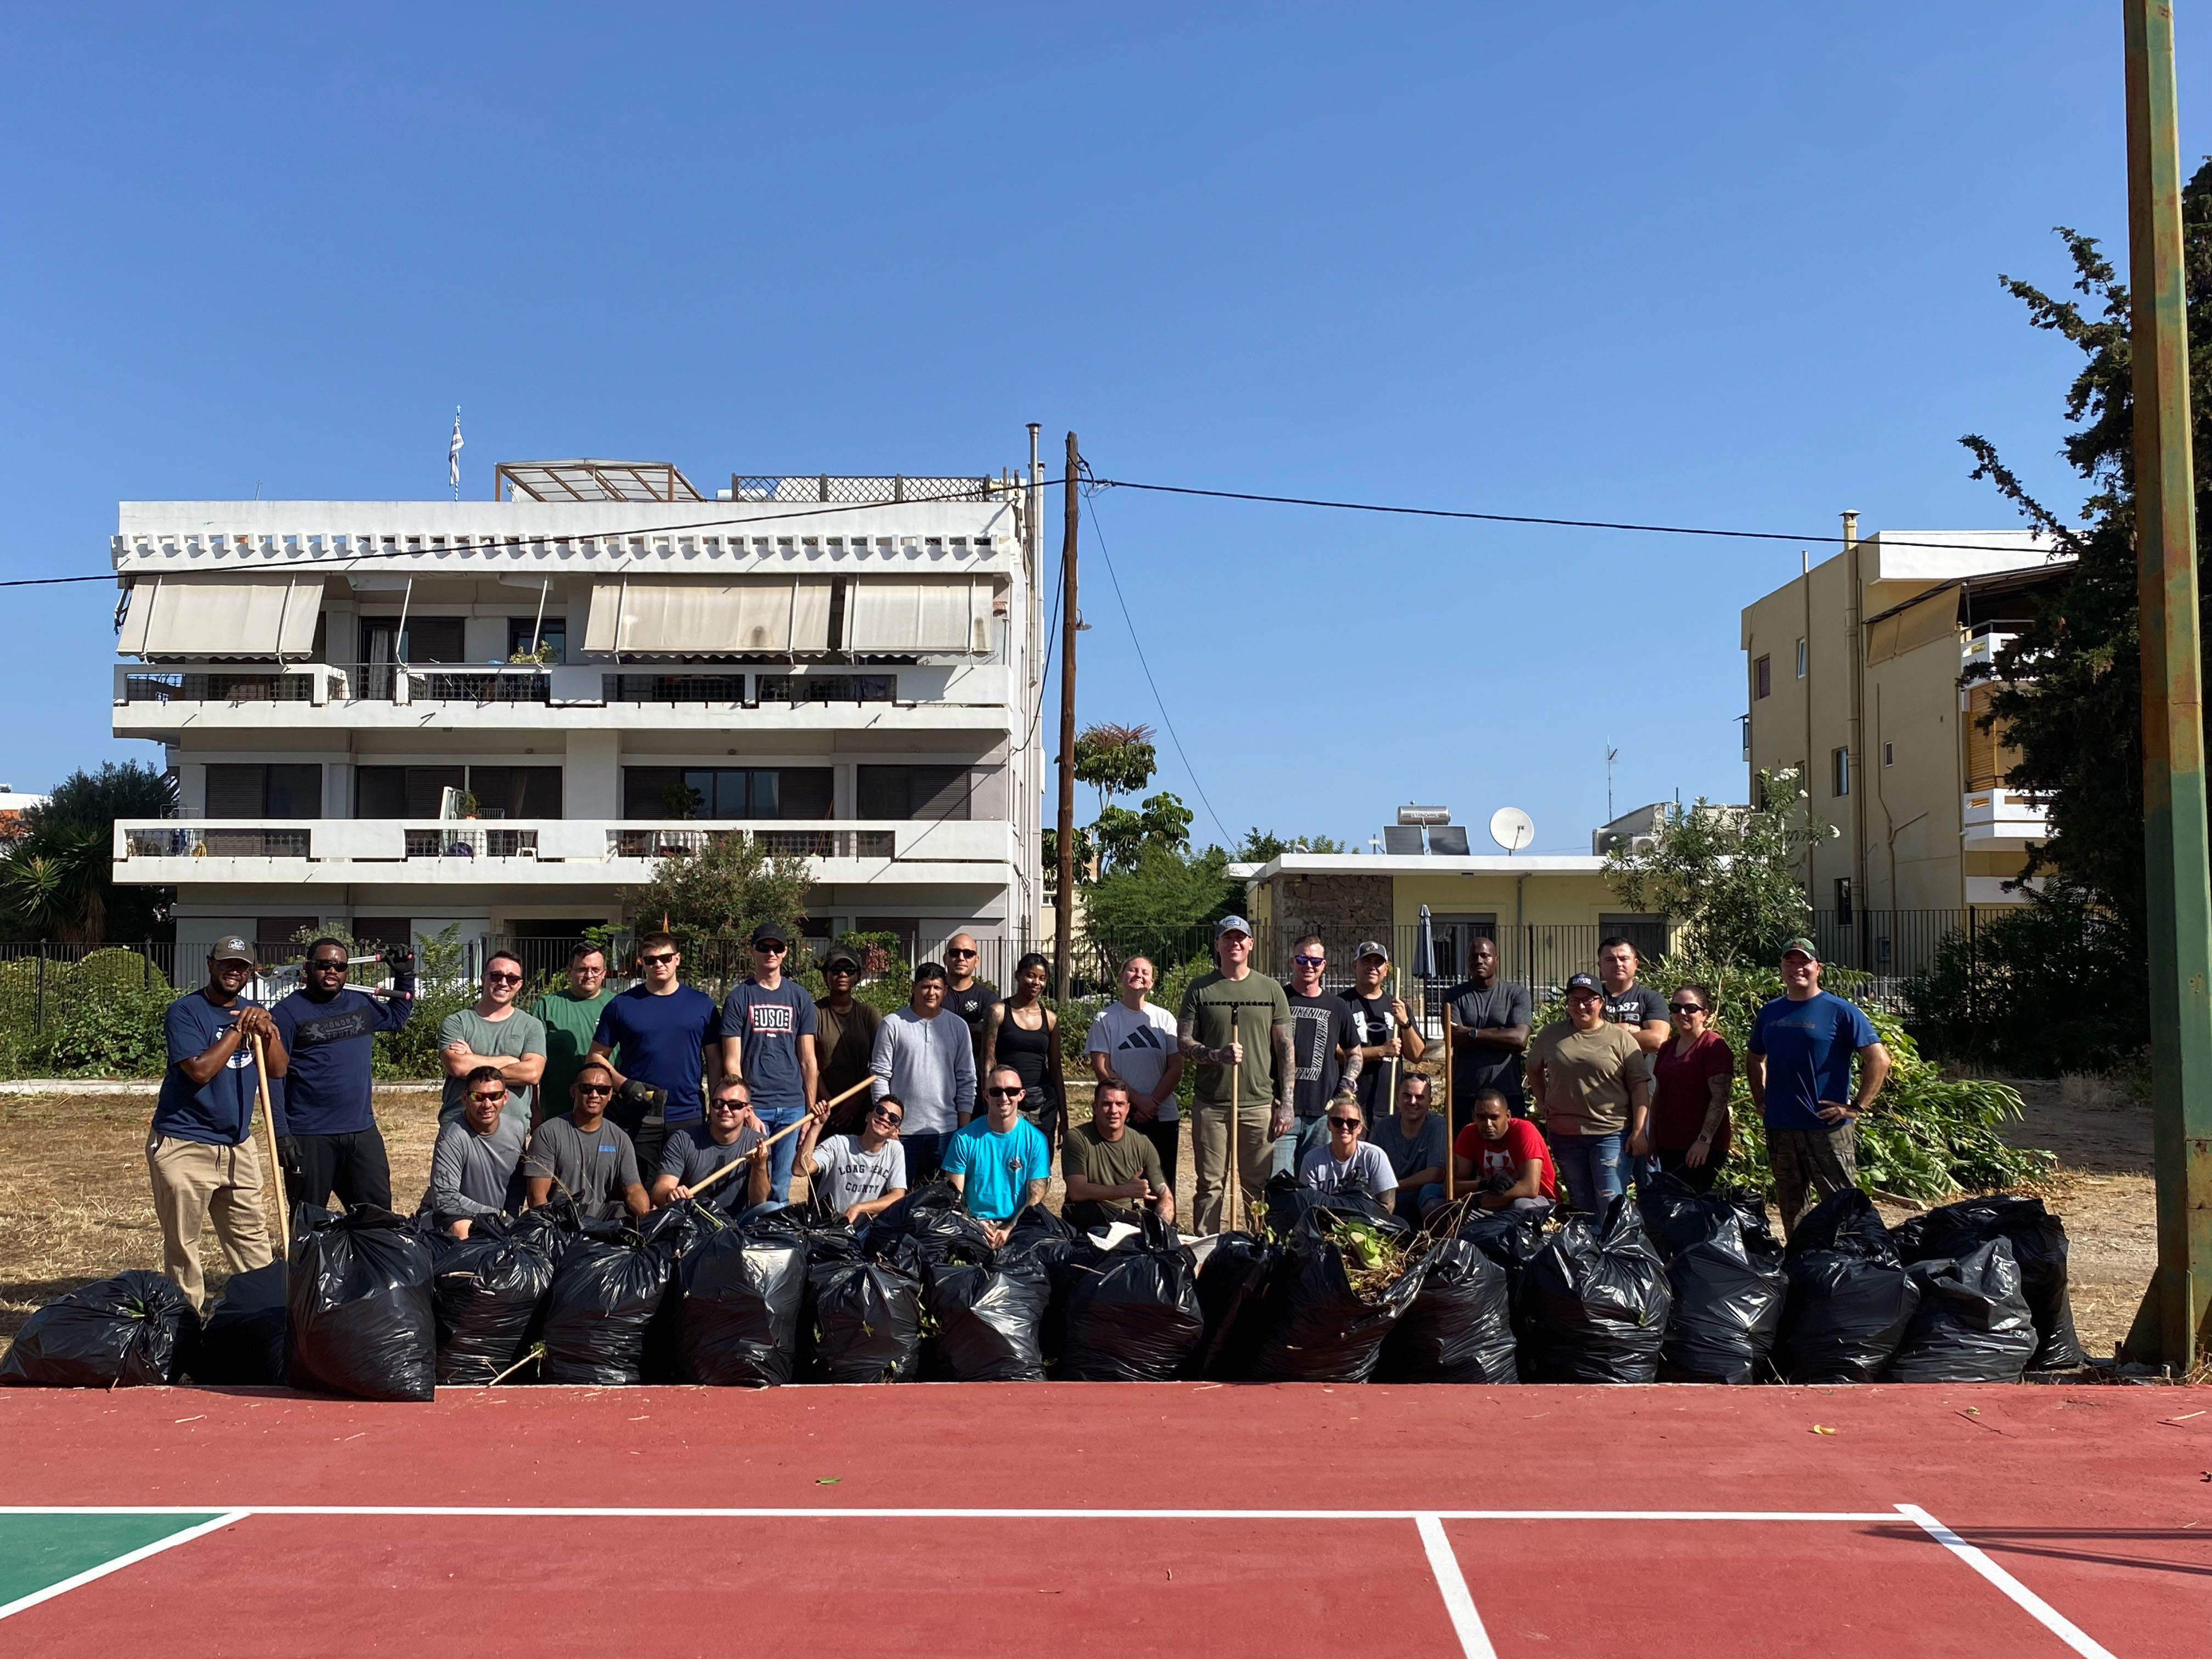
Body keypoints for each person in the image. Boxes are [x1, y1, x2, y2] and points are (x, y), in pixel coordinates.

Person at [146, 936, 283, 1309]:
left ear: (251, 972)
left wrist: (267, 1032)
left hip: (238, 1146)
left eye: (242, 966)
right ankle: (186, 1321)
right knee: (184, 1244)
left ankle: (264, 1314)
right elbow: (200, 1071)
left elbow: (278, 1069)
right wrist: (238, 1030)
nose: (234, 972)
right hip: (185, 1142)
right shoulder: (185, 1011)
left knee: (252, 1240)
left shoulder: (256, 1013)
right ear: (211, 965)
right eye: (227, 964)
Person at [1747, 938, 1891, 1238]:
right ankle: (1802, 1260)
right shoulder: (1770, 1012)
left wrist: (1856, 1107)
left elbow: (1879, 1060)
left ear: (1818, 968)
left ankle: (1849, 1259)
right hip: (1781, 1127)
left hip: (1827, 1128)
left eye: (1804, 962)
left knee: (1841, 1207)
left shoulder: (1840, 1010)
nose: (1797, 968)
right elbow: (1755, 1058)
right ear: (1782, 968)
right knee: (1791, 1208)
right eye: (1790, 962)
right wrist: (1760, 1099)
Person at [269, 936, 415, 1211]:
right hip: (310, 1135)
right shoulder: (287, 1013)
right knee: (309, 1219)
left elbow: (397, 1018)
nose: (332, 971)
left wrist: (405, 977)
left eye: (340, 966)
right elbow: (273, 1077)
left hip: (361, 1130)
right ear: (307, 967)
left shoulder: (360, 1003)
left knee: (377, 1216)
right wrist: (280, 1133)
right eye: (324, 965)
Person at [1178, 916, 1294, 1233]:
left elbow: (1285, 1047)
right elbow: (1184, 1042)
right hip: (1211, 1104)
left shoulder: (1271, 989)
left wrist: (1287, 1103)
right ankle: (1207, 1248)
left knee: (1257, 1186)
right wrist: (1217, 1055)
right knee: (1210, 1184)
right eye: (1227, 938)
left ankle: (1257, 1248)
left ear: (1251, 944)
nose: (1235, 943)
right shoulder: (1200, 988)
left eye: (1241, 938)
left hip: (1258, 1104)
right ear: (1217, 945)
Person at [588, 931, 719, 1175]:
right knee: (638, 1188)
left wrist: (716, 1106)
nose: (659, 964)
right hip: (639, 1114)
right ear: (642, 963)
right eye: (650, 960)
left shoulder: (703, 1005)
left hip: (688, 1113)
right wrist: (625, 1085)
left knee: (686, 1189)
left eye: (665, 958)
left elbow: (714, 1061)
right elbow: (595, 1057)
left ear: (677, 959)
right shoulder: (622, 1005)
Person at [1526, 973, 1652, 1217]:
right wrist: (1542, 1101)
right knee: (1581, 1203)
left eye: (1588, 1000)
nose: (1581, 1006)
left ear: (1601, 1002)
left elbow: (1639, 1087)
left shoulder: (1621, 1039)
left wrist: (1639, 1131)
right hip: (1565, 1135)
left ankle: (1616, 1242)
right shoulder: (1550, 1035)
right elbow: (1533, 1068)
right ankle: (1590, 1243)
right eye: (1574, 1000)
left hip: (1610, 1133)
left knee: (1610, 1200)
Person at [717, 921, 819, 1204]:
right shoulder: (739, 997)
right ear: (753, 951)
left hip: (792, 1106)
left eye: (777, 948)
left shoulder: (800, 997)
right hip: (757, 1105)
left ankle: (775, 1230)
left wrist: (810, 1111)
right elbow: (732, 1062)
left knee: (781, 1185)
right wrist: (746, 1110)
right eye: (764, 947)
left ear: (785, 952)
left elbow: (808, 1060)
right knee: (752, 1180)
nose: (771, 953)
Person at [870, 962, 977, 1181]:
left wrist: (963, 1128)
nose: (931, 993)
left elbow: (967, 1079)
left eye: (937, 988)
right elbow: (880, 1076)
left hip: (945, 1132)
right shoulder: (892, 1024)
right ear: (914, 987)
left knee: (943, 1196)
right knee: (898, 1196)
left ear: (945, 991)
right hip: (901, 1132)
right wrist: (889, 1123)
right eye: (926, 987)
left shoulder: (958, 1027)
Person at [1084, 955, 1183, 1192]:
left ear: (1152, 983)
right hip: (1121, 1114)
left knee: (1162, 1184)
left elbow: (1176, 1068)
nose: (1139, 975)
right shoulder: (1105, 1020)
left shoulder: (1165, 1019)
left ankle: (1162, 1217)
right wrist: (1137, 1102)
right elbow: (1102, 1068)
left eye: (1145, 972)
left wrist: (1153, 1103)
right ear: (1121, 977)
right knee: (1120, 1183)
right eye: (1132, 970)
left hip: (1163, 1116)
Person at [522, 1060, 651, 1220]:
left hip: (602, 1226)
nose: (594, 1095)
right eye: (587, 1088)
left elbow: (634, 1189)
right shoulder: (548, 1133)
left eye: (603, 1090)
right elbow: (537, 1197)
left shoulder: (620, 1139)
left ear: (610, 1095)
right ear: (573, 1091)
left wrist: (647, 1217)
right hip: (560, 1224)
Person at [1279, 935, 1362, 1177]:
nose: (1309, 965)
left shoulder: (1338, 1006)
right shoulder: (1278, 1000)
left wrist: (1347, 1082)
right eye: (1302, 959)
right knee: (1277, 1183)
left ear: (1324, 965)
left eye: (1315, 961)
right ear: (1292, 962)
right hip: (1282, 1110)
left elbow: (1355, 1053)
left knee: (1313, 1184)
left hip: (1323, 1113)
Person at [943, 1064, 1051, 1246]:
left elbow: (1035, 1197)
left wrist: (1010, 1229)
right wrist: (974, 1224)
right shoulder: (964, 1139)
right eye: (996, 1092)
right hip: (973, 1224)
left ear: (1021, 1095)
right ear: (986, 1096)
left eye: (1011, 1091)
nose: (1004, 1098)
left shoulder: (1036, 1141)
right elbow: (955, 1197)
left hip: (1019, 1224)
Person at [438, 950, 546, 1131]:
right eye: (496, 976)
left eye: (512, 979)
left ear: (519, 984)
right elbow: (458, 1066)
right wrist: (511, 1061)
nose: (503, 983)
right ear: (483, 978)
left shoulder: (531, 1026)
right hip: (459, 1126)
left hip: (512, 1129)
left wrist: (473, 1061)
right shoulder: (457, 1022)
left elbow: (532, 1073)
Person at [420, 1065, 528, 1237]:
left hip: (496, 1219)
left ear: (505, 1098)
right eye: (478, 1097)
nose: (487, 1105)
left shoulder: (517, 1129)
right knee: (463, 1227)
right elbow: (445, 1199)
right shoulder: (451, 1137)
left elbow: (518, 1186)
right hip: (449, 1217)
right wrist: (497, 1215)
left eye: (495, 1096)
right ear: (465, 1098)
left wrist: (510, 1220)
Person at [1650, 982, 1734, 1190]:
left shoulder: (1713, 1047)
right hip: (1669, 1143)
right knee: (1671, 1202)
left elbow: (1719, 1099)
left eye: (1690, 1008)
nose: (1682, 1013)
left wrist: (1704, 1141)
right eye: (1676, 1008)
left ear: (1704, 1014)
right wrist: (1652, 1138)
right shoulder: (1667, 1048)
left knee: (1693, 1202)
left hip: (1702, 1146)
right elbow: (1659, 1095)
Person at [1060, 1076, 1173, 1231]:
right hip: (1088, 1216)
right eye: (1106, 1104)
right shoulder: (1077, 1138)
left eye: (1120, 1104)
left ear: (1127, 1109)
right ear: (1095, 1108)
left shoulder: (1142, 1143)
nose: (1114, 1111)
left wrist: (1161, 1231)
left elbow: (1166, 1196)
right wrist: (1125, 1190)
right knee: (1086, 1212)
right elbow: (1077, 1191)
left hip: (1126, 1218)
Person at [1443, 936, 1532, 1124]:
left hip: (1507, 1092)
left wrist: (1473, 1033)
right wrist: (1501, 1032)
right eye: (1474, 956)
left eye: (1485, 956)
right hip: (1465, 1093)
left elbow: (1519, 1040)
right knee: (1464, 1143)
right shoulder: (1453, 996)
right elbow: (1454, 1038)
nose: (1479, 961)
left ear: (1496, 960)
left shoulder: (1516, 994)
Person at [983, 951, 1064, 1149]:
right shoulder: (998, 1012)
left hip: (1043, 1103)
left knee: (1041, 1161)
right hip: (1007, 1099)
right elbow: (988, 1062)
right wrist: (990, 1103)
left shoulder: (1051, 1020)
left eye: (1042, 978)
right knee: (1008, 1157)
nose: (1036, 982)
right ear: (1017, 976)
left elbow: (1056, 1069)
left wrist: (1065, 1117)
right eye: (1030, 976)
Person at [651, 1076, 769, 1210]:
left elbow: (759, 1201)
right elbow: (659, 1191)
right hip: (694, 1217)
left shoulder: (758, 1144)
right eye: (718, 1103)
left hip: (740, 1220)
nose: (725, 1109)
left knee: (770, 1208)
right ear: (710, 1106)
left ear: (748, 1111)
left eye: (734, 1105)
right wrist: (670, 1194)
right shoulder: (683, 1139)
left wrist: (759, 1167)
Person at [1340, 941, 1424, 1124]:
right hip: (1350, 1107)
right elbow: (1335, 1053)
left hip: (1390, 1107)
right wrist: (1381, 1051)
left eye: (1378, 963)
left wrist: (1405, 1023)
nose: (1372, 967)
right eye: (1366, 961)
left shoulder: (1398, 1006)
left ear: (1386, 970)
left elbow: (1417, 1055)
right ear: (1355, 966)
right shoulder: (1341, 1004)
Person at [796, 1091, 911, 1224]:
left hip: (863, 1232)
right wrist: (817, 1126)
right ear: (868, 1116)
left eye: (893, 1118)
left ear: (896, 1131)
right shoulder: (838, 1143)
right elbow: (800, 1170)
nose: (885, 1118)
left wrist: (858, 1208)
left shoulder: (895, 1150)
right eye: (881, 1111)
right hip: (828, 1226)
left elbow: (897, 1196)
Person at [529, 944, 614, 1122]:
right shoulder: (547, 1007)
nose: (589, 975)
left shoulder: (617, 1006)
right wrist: (534, 1109)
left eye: (596, 970)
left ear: (604, 973)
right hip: (558, 1111)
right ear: (569, 971)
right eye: (582, 969)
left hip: (611, 1112)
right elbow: (531, 1063)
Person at [812, 944, 882, 1129]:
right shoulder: (814, 1013)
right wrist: (829, 1102)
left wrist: (854, 1102)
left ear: (858, 976)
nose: (842, 975)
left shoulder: (869, 1015)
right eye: (836, 969)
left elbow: (878, 1064)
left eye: (849, 970)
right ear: (825, 975)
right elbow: (809, 1063)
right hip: (823, 1109)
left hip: (861, 1108)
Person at [1452, 1087, 1559, 1210]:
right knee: (1440, 1203)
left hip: (1541, 1201)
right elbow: (1451, 1187)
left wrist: (1479, 1201)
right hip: (1496, 1198)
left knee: (1521, 1205)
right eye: (1481, 1118)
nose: (1488, 1124)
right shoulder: (1469, 1133)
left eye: (1494, 1118)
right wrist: (1483, 1184)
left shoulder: (1525, 1131)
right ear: (1473, 1117)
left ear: (1508, 1116)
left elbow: (1530, 1188)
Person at [1368, 1070, 1449, 1224]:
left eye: (1420, 1097)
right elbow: (1372, 1169)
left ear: (1430, 1102)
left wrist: (1394, 1186)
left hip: (1421, 1196)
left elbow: (1436, 1174)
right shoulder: (1382, 1127)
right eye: (1407, 1096)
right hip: (1389, 1198)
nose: (1413, 1102)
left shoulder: (1439, 1126)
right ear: (1397, 1099)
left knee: (1433, 1199)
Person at [1296, 1094, 1400, 1213]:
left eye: (1352, 1123)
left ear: (1360, 1128)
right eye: (1337, 1122)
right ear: (1329, 1125)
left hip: (1364, 1221)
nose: (1345, 1127)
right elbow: (1307, 1203)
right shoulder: (1312, 1159)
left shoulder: (1374, 1156)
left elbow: (1387, 1205)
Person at [1596, 937, 1671, 1055]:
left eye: (1624, 959)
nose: (1618, 964)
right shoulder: (1589, 999)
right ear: (1600, 965)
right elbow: (1580, 1038)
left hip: (1640, 1067)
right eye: (1610, 960)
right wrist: (1628, 1028)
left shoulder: (1651, 998)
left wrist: (1600, 1035)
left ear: (1636, 964)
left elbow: (1657, 1041)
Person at [941, 932, 996, 1069]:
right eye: (955, 953)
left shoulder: (988, 998)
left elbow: (987, 1034)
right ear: (945, 958)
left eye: (968, 954)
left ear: (976, 960)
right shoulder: (934, 995)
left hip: (975, 1072)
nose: (961, 958)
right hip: (937, 1068)